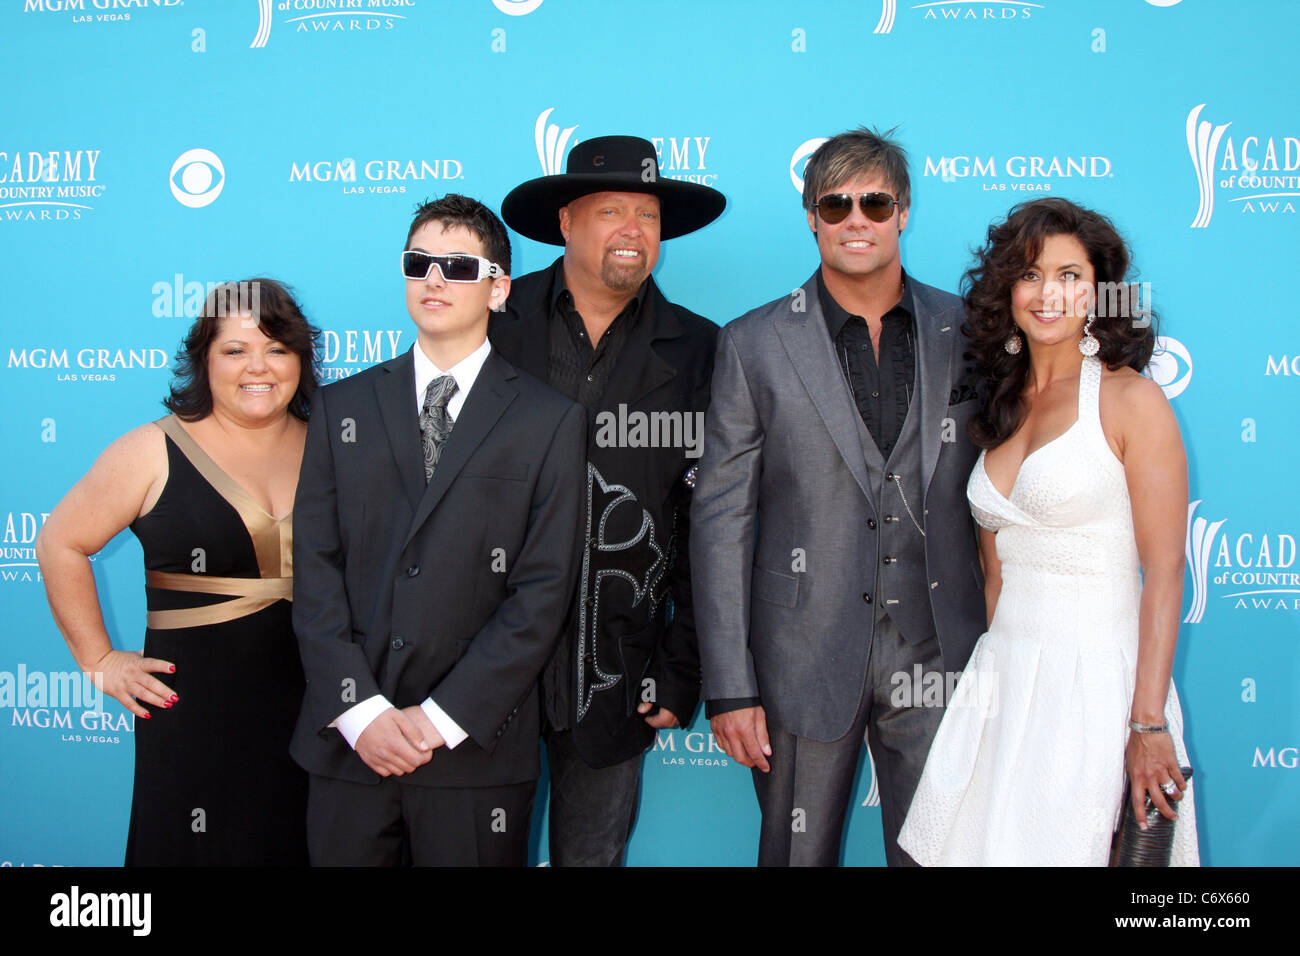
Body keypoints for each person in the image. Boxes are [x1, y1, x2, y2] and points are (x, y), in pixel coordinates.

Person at [691, 127, 986, 866]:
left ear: (904, 213)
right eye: (837, 202)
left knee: (941, 854)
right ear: (813, 217)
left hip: (939, 652)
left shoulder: (971, 333)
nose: (857, 218)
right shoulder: (753, 343)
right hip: (799, 659)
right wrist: (730, 688)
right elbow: (721, 520)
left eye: (875, 202)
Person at [898, 198, 1199, 865]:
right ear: (1008, 290)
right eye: (1030, 274)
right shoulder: (1000, 404)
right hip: (1003, 685)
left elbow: (1165, 574)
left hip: (1097, 689)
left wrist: (1146, 722)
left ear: (1099, 291)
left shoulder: (1131, 400)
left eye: (1071, 275)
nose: (1049, 293)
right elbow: (997, 573)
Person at [289, 194, 586, 866]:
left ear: (498, 287)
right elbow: (314, 568)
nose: (434, 279)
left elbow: (542, 594)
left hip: (474, 755)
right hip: (349, 747)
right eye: (418, 262)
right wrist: (360, 711)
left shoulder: (549, 420)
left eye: (457, 265)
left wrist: (437, 720)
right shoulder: (342, 406)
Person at [491, 135, 724, 866]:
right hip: (480, 668)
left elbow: (706, 527)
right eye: (612, 210)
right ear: (565, 222)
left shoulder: (701, 351)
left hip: (617, 672)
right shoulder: (487, 326)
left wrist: (682, 667)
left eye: (648, 215)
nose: (634, 230)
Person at [36, 278, 319, 865]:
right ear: (203, 359)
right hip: (194, 719)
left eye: (276, 347)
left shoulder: (337, 446)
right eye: (235, 349)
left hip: (319, 718)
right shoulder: (151, 449)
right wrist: (98, 660)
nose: (257, 366)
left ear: (300, 358)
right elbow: (60, 541)